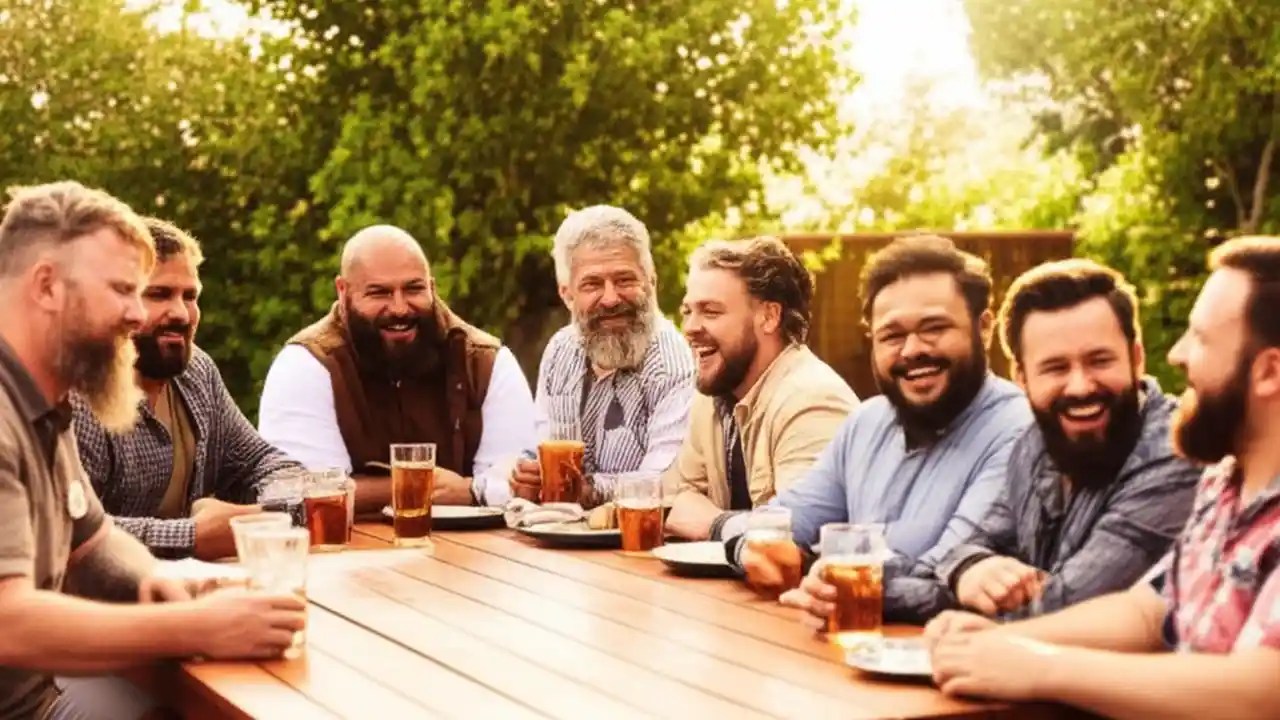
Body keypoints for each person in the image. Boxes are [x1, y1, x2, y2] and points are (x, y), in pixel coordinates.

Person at [925, 236, 1280, 719]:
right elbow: (1148, 611)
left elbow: (1262, 692)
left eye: (1199, 338)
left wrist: (1040, 666)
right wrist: (995, 641)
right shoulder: (1225, 484)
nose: (1176, 355)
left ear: (1269, 372)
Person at [0, 181, 305, 720]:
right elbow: (8, 622)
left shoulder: (42, 403)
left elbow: (91, 544)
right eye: (123, 289)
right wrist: (197, 625)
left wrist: (159, 582)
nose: (137, 316)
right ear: (47, 287)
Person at [739, 235, 1033, 620]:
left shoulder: (1019, 430)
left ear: (984, 328)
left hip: (951, 662)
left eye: (934, 328)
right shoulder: (866, 422)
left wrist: (833, 580)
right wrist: (754, 546)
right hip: (847, 655)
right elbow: (780, 522)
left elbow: (947, 569)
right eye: (892, 336)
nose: (912, 350)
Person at [258, 225, 537, 510]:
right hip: (348, 552)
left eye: (413, 289)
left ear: (432, 286)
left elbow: (515, 485)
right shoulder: (306, 364)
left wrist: (475, 490)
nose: (400, 308)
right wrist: (421, 485)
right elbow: (309, 496)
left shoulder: (486, 362)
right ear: (343, 292)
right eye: (380, 293)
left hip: (483, 551)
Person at [73, 218, 302, 560]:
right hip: (93, 606)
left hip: (192, 592)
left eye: (190, 296)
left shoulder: (196, 372)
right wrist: (192, 536)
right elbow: (68, 529)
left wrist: (274, 510)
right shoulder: (77, 394)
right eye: (159, 294)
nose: (180, 313)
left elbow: (261, 462)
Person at [663, 237, 858, 540]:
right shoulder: (714, 396)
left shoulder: (812, 399)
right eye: (688, 311)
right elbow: (678, 498)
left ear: (769, 317)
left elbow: (797, 534)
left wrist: (715, 524)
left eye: (711, 311)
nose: (689, 327)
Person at [508, 206, 695, 507]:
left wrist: (585, 489)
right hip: (557, 540)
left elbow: (665, 483)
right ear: (567, 295)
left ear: (651, 282)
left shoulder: (673, 363)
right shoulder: (560, 351)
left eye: (625, 280)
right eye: (592, 284)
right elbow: (537, 451)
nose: (610, 298)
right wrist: (528, 478)